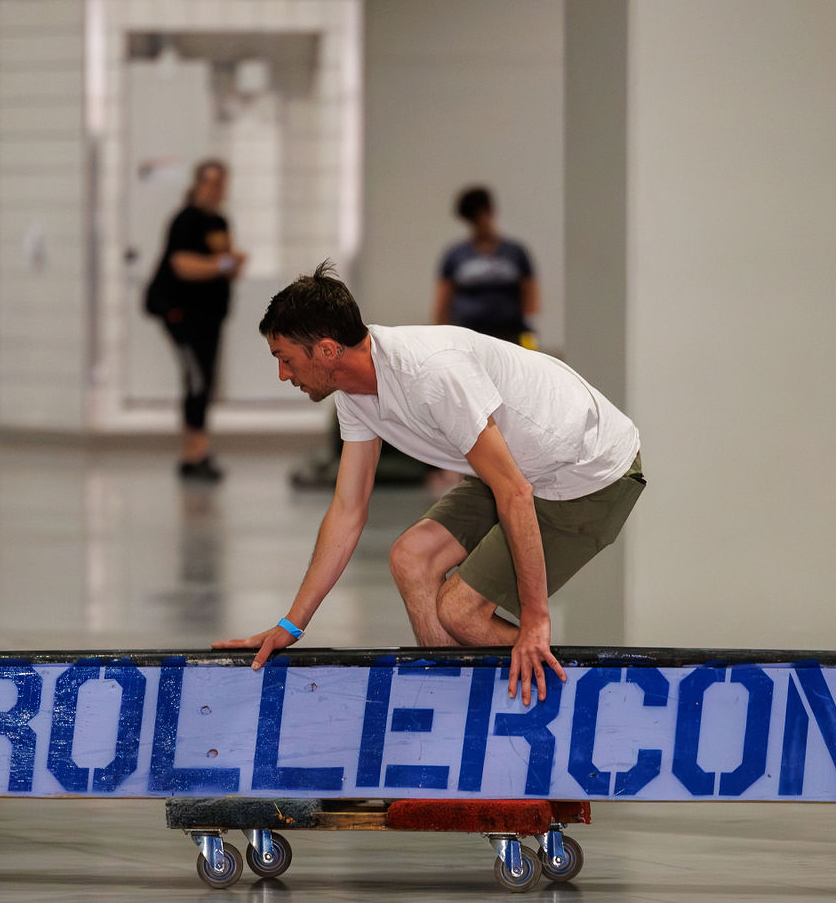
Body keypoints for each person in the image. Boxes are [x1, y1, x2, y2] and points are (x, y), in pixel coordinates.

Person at [214, 263, 645, 705]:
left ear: (326, 350)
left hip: (588, 470)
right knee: (411, 558)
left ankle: (584, 703)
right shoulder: (356, 396)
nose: (284, 375)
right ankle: (455, 714)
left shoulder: (431, 374)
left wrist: (536, 620)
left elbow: (514, 493)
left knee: (461, 611)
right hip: (520, 467)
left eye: (285, 360)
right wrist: (291, 625)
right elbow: (347, 508)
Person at [145, 159, 246, 481]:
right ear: (199, 184)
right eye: (212, 183)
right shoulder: (185, 220)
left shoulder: (219, 222)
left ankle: (199, 451)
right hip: (182, 315)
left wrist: (231, 264)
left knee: (206, 381)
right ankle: (193, 453)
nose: (217, 191)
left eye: (222, 184)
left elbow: (227, 265)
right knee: (196, 380)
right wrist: (220, 265)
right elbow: (182, 265)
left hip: (211, 317)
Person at [433, 186, 539, 346]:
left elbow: (530, 291)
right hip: (469, 335)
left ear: (491, 212)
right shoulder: (456, 255)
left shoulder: (515, 252)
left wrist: (529, 324)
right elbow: (443, 298)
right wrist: (441, 336)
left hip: (510, 334)